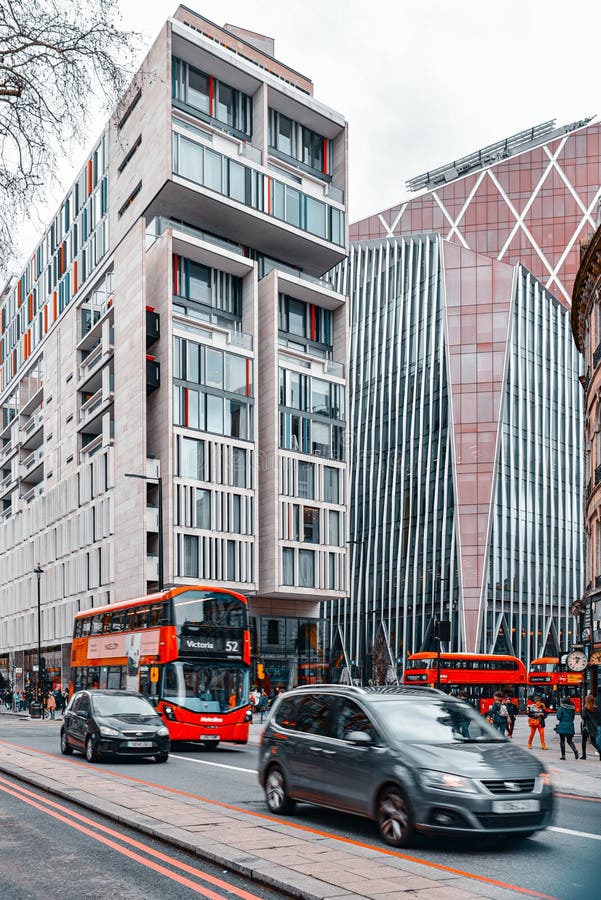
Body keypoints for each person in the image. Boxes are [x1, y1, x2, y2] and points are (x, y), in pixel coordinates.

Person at [555, 695, 579, 759]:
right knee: (569, 741)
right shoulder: (572, 708)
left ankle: (563, 756)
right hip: (570, 725)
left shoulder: (561, 708)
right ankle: (575, 750)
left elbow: (558, 717)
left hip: (562, 726)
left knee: (562, 741)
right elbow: (573, 718)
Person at [580, 693, 601, 759]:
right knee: (593, 741)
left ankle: (584, 755)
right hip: (593, 726)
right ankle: (600, 751)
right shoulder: (596, 708)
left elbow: (583, 716)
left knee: (584, 741)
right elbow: (598, 717)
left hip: (586, 726)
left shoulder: (586, 708)